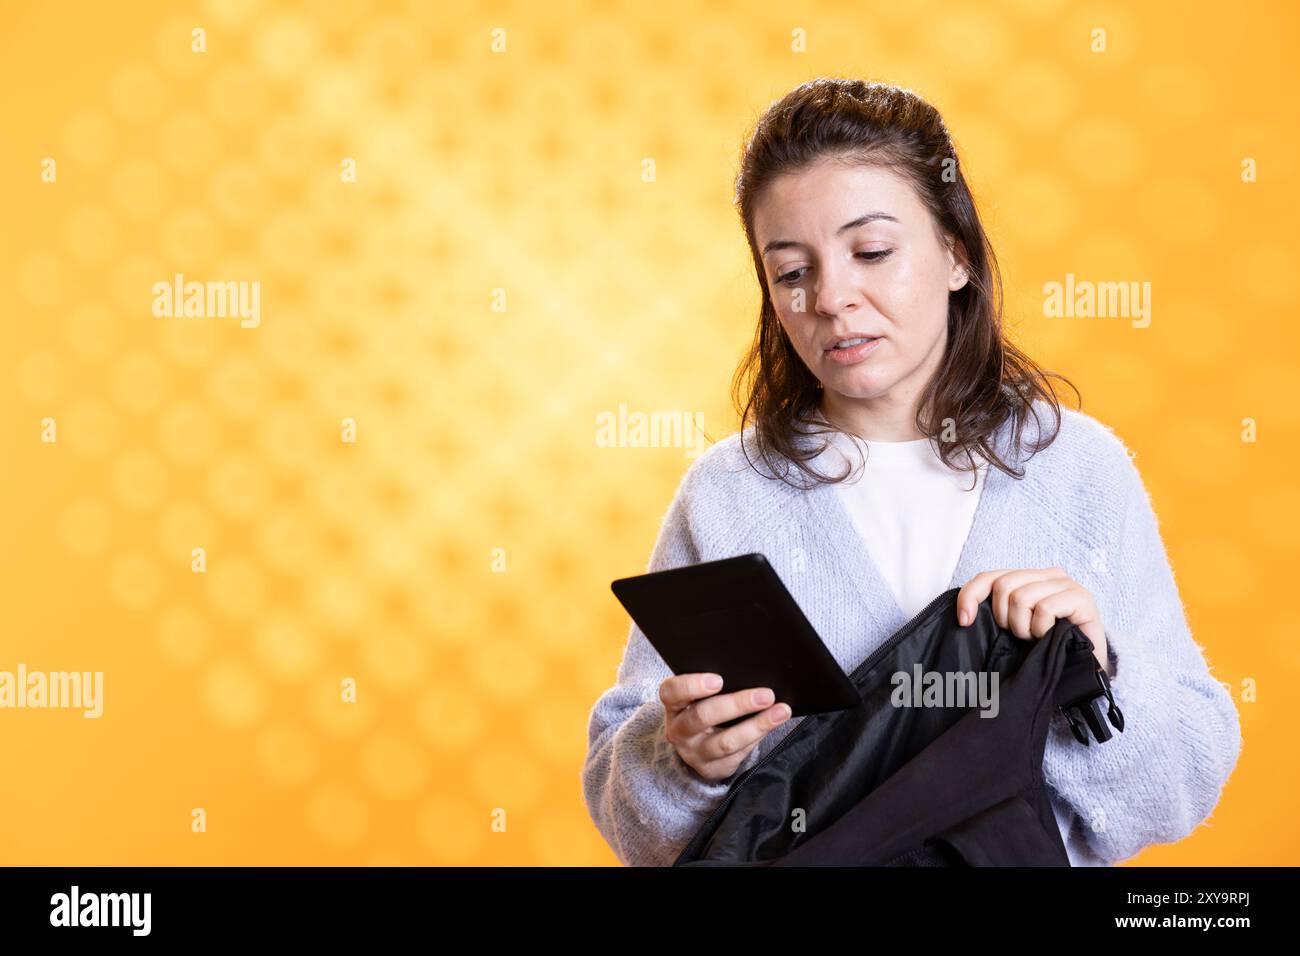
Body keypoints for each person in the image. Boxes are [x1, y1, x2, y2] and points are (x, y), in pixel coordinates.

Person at [581, 78, 1242, 867]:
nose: (831, 298)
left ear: (956, 254)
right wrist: (685, 761)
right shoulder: (730, 497)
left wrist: (1094, 672)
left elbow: (1190, 773)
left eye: (872, 252)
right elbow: (628, 812)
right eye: (791, 272)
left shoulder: (1075, 471)